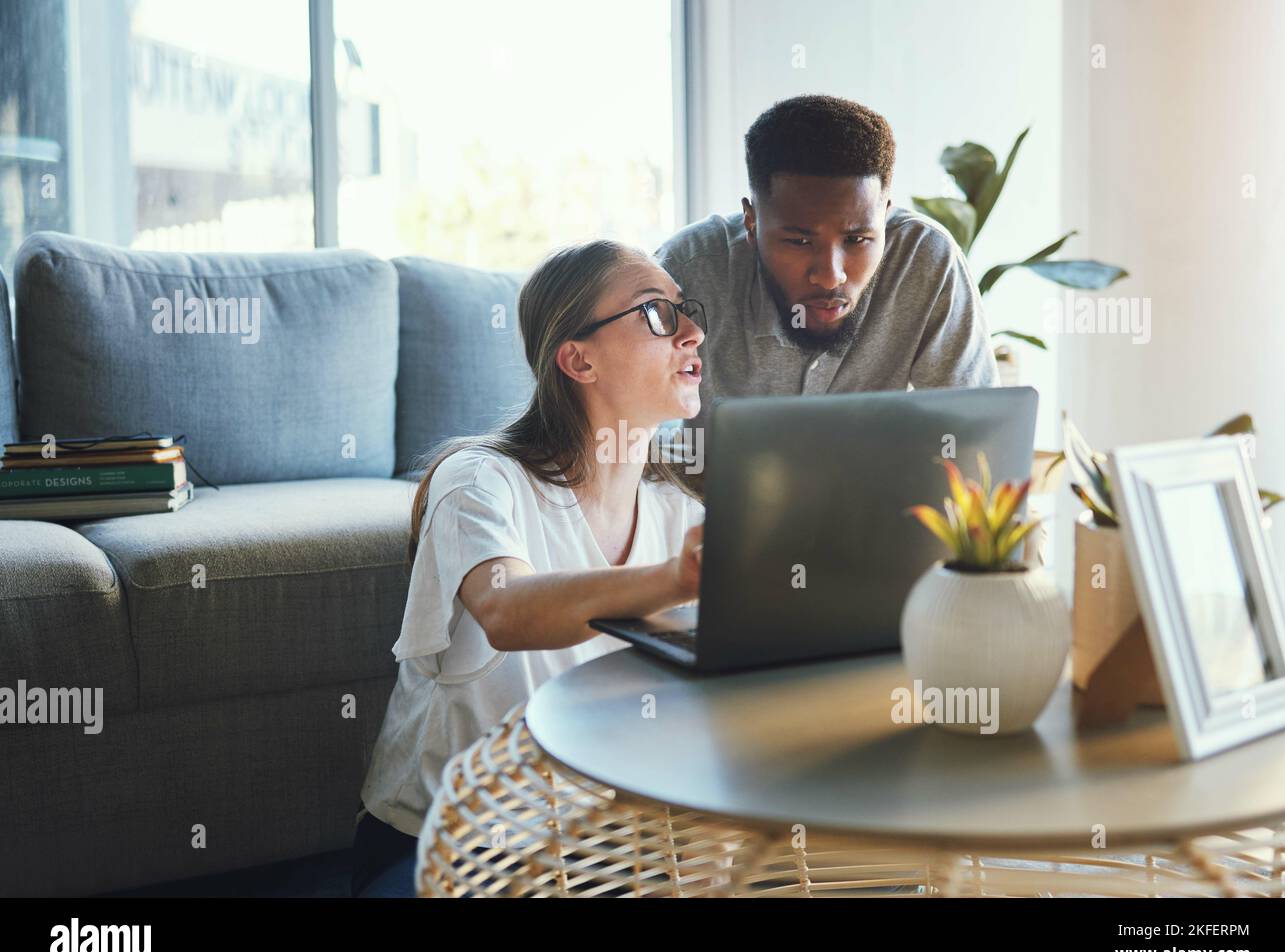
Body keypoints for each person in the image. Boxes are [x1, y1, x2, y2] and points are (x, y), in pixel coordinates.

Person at [352, 240, 708, 897]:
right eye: (657, 313)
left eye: (687, 311)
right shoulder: (481, 482)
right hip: (442, 851)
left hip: (598, 856)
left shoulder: (675, 508)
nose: (693, 332)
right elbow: (507, 610)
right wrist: (674, 583)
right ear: (578, 358)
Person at [656, 93, 999, 486]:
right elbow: (640, 445)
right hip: (706, 530)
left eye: (857, 240)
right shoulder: (686, 275)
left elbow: (974, 441)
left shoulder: (926, 262)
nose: (831, 276)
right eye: (800, 242)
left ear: (884, 219)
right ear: (751, 222)